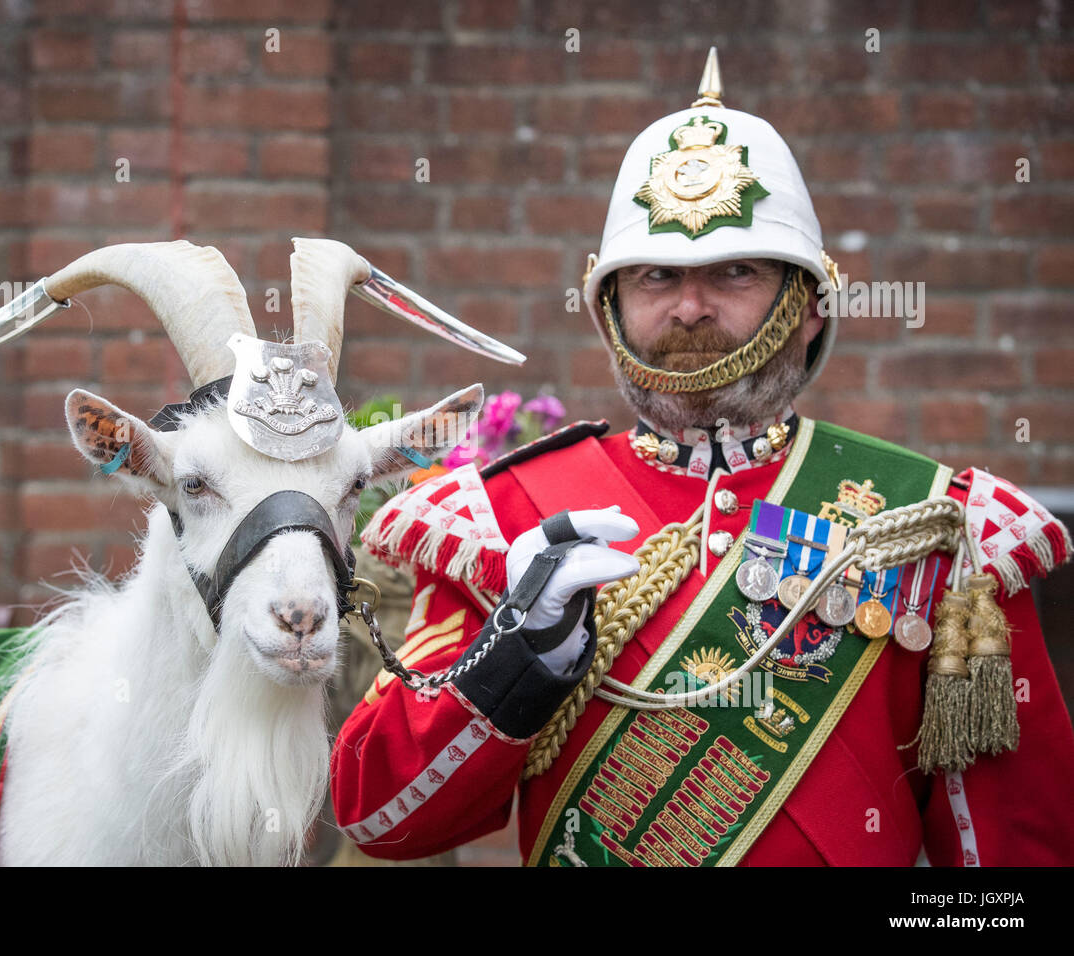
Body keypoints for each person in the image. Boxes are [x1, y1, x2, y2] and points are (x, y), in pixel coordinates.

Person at [329, 50, 1074, 867]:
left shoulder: (932, 528)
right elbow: (379, 816)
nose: (690, 307)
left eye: (735, 272)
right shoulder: (508, 517)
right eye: (655, 277)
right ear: (606, 307)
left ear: (809, 309)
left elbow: (1013, 861)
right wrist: (517, 650)